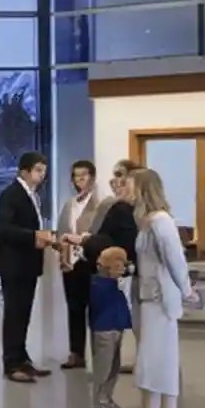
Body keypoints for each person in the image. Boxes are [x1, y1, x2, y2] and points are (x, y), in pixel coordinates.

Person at [127, 168, 199, 408]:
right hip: (149, 296)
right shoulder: (147, 221)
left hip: (159, 299)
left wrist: (186, 289)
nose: (127, 190)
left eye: (131, 185)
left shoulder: (161, 222)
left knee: (153, 358)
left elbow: (175, 259)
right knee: (164, 357)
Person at [63, 158, 142, 373]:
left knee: (113, 324)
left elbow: (116, 241)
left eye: (120, 176)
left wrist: (86, 240)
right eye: (76, 176)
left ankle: (111, 368)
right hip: (87, 262)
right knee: (80, 311)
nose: (115, 182)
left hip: (114, 269)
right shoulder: (71, 204)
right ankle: (87, 357)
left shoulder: (112, 205)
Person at [0, 151, 53, 384]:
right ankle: (11, 363)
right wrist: (34, 237)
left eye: (44, 171)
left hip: (28, 264)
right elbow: (6, 229)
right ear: (24, 171)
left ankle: (22, 358)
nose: (42, 175)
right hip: (14, 265)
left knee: (24, 314)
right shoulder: (10, 195)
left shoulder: (33, 195)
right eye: (38, 170)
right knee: (14, 314)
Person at [56, 160, 102, 369]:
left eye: (84, 175)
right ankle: (76, 352)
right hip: (71, 262)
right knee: (74, 307)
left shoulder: (101, 204)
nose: (80, 179)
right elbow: (61, 231)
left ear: (92, 177)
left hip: (91, 261)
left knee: (96, 308)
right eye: (76, 176)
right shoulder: (70, 204)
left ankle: (100, 354)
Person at [86, 245, 133, 408]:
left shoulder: (113, 284)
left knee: (114, 367)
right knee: (103, 368)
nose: (124, 268)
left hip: (117, 328)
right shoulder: (99, 285)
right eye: (121, 264)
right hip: (104, 331)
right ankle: (97, 406)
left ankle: (107, 399)